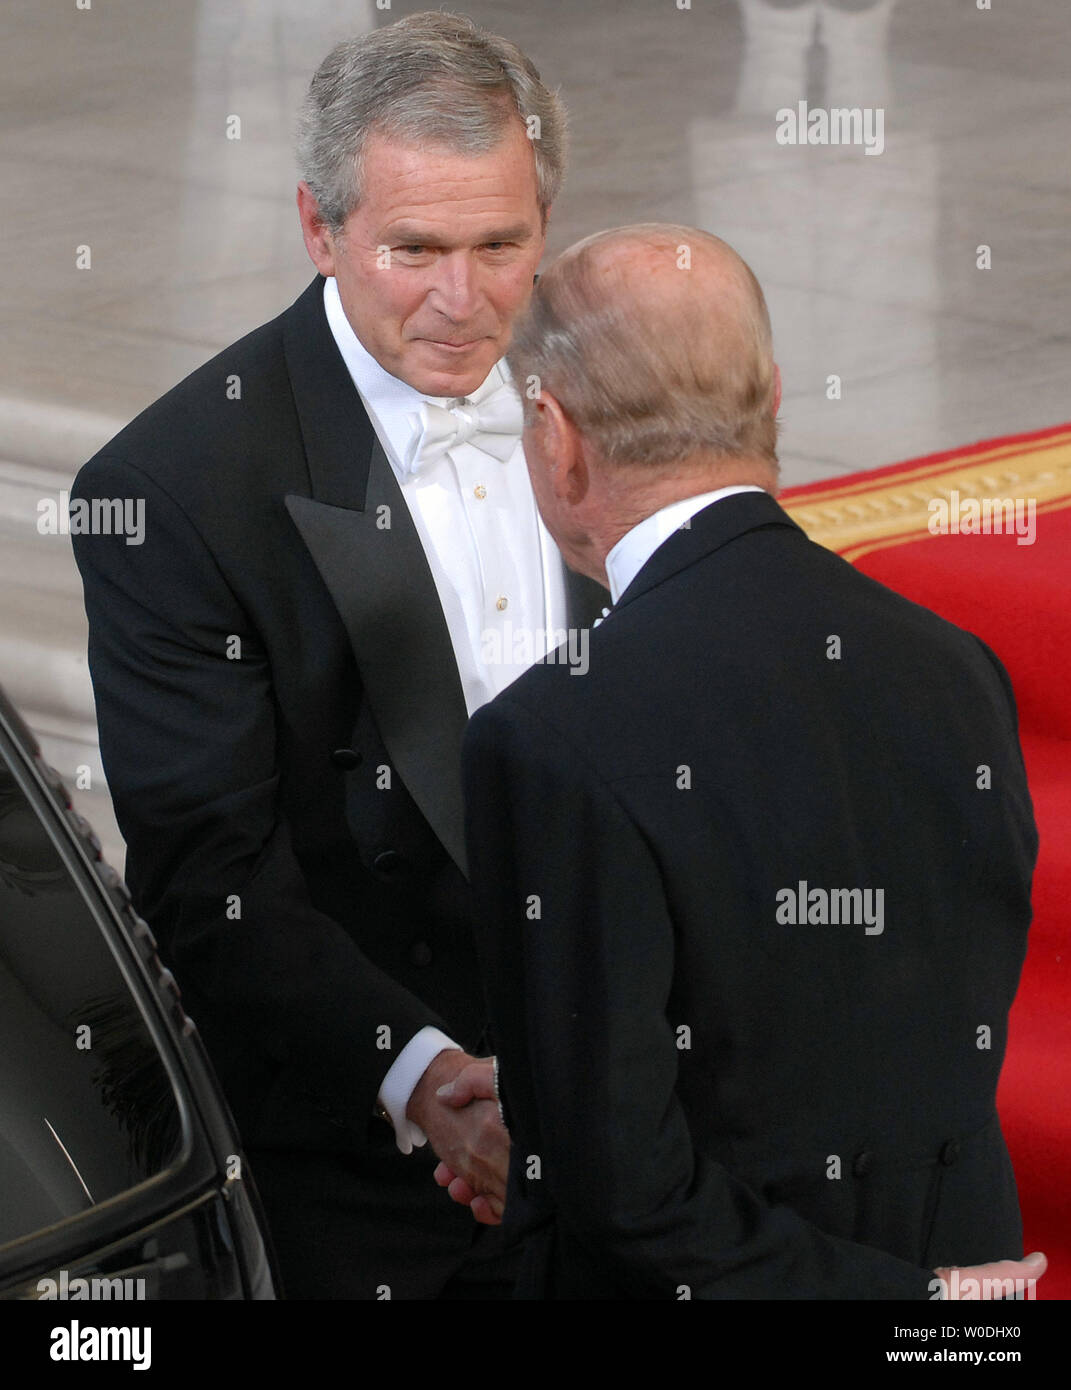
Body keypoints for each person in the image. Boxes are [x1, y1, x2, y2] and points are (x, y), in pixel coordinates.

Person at [70, 12, 605, 1300]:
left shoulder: (618, 391)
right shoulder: (172, 487)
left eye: (500, 247)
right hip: (373, 1166)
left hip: (636, 1105)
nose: (462, 302)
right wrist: (429, 1080)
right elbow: (214, 874)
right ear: (318, 227)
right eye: (412, 249)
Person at [456, 223, 1045, 1297]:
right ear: (772, 398)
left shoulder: (548, 735)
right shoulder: (958, 669)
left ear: (555, 433)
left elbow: (625, 1198)